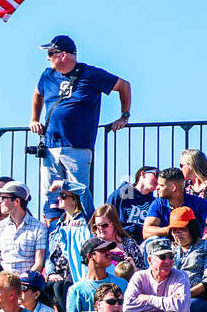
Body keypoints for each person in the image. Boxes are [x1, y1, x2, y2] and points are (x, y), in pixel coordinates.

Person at [29, 34, 132, 216]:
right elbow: (37, 94)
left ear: (64, 55)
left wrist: (124, 116)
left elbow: (124, 85)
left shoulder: (90, 74)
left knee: (78, 191)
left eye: (51, 53)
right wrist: (34, 119)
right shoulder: (47, 75)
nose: (48, 57)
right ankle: (53, 230)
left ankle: (83, 226)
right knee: (51, 195)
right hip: (51, 145)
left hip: (78, 146)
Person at [168, 210, 207, 312]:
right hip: (171, 298)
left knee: (184, 309)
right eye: (174, 230)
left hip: (199, 299)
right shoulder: (169, 250)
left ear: (191, 229)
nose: (178, 233)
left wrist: (186, 294)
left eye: (182, 229)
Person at [0, 180, 47, 275]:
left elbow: (38, 264)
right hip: (2, 282)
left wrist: (23, 280)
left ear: (17, 201)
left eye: (3, 197)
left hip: (27, 284)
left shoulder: (39, 228)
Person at [141, 169, 207, 241]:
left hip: (193, 251)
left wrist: (202, 243)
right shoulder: (158, 203)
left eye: (161, 185)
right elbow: (146, 232)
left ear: (173, 188)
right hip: (165, 250)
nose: (157, 188)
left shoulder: (199, 203)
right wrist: (172, 229)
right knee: (150, 241)